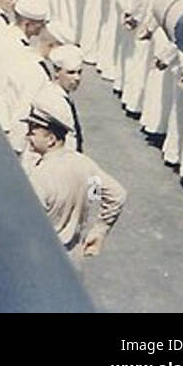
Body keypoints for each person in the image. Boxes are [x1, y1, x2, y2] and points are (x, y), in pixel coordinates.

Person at [22, 87, 126, 261]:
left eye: (32, 132)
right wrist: (100, 229)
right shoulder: (83, 164)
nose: (27, 137)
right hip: (72, 255)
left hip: (42, 257)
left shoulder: (39, 177)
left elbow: (27, 224)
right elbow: (115, 195)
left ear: (51, 139)